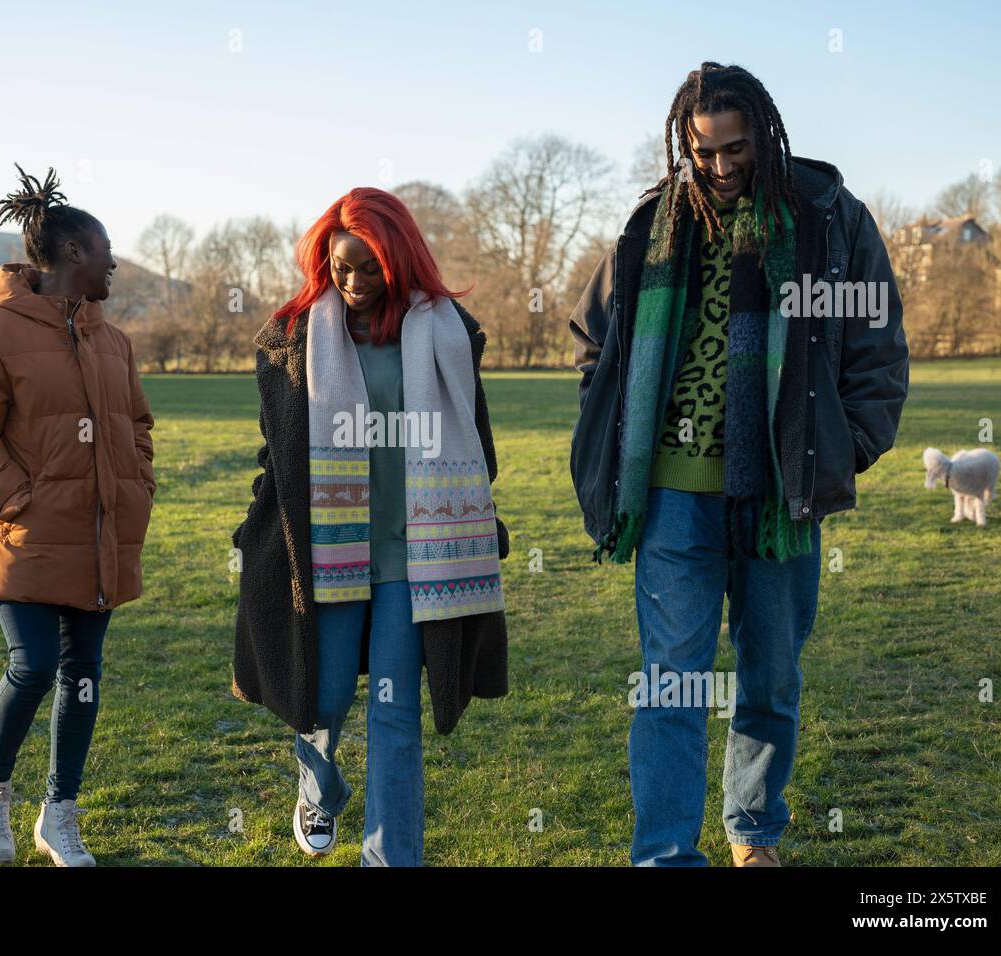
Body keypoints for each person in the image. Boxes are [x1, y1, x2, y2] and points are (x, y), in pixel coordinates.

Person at [569, 62, 909, 866]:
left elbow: (878, 356)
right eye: (704, 151)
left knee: (769, 677)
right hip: (672, 503)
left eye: (736, 148)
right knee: (672, 683)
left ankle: (752, 832)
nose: (721, 167)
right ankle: (664, 853)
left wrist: (835, 452)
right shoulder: (652, 226)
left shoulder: (828, 219)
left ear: (765, 135)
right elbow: (595, 341)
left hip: (780, 497)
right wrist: (616, 432)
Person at [231, 187, 510, 866]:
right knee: (321, 699)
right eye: (340, 267)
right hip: (327, 552)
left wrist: (482, 517)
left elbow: (476, 439)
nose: (352, 282)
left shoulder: (445, 332)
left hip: (415, 555)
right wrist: (258, 529)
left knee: (394, 715)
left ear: (400, 261)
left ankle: (391, 857)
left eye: (368, 267)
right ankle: (318, 789)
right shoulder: (293, 340)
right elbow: (279, 451)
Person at [0, 165, 155, 866]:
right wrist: (17, 501)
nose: (115, 260)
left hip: (101, 537)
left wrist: (136, 486)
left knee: (83, 672)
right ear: (70, 255)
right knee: (31, 666)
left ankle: (60, 814)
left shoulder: (112, 341)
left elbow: (139, 427)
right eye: (105, 248)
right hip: (25, 535)